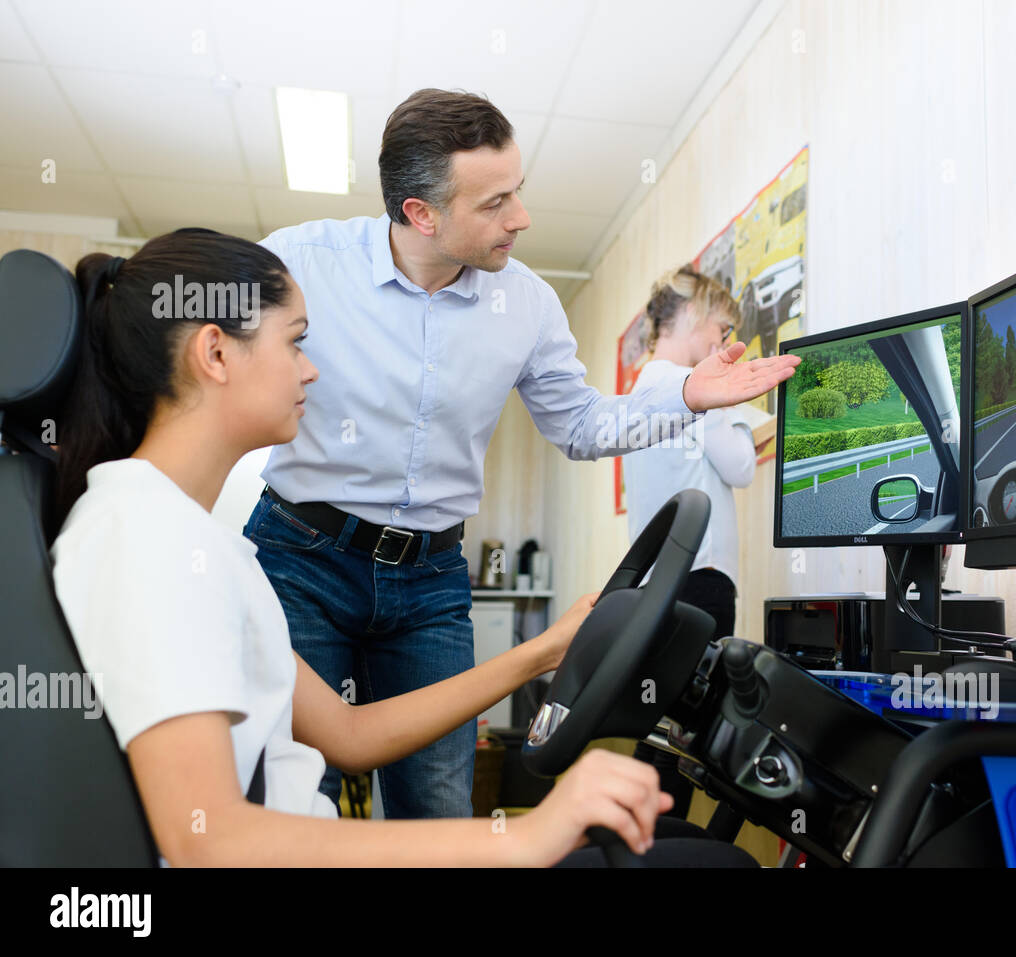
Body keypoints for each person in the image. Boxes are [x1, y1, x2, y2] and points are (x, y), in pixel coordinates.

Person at [250, 88, 798, 819]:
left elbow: (582, 427)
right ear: (421, 213)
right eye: (495, 201)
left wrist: (687, 398)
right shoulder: (298, 264)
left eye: (520, 191)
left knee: (440, 807)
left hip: (428, 582)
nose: (522, 217)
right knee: (288, 802)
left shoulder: (529, 304)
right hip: (300, 557)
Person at [46, 230, 674, 866]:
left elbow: (348, 735)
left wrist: (541, 653)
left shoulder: (201, 544)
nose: (311, 368)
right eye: (294, 341)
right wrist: (527, 836)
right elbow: (209, 843)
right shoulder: (150, 539)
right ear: (216, 353)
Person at [622, 265, 757, 817]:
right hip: (700, 583)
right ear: (693, 317)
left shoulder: (641, 389)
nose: (725, 345)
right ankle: (656, 845)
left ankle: (636, 842)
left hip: (658, 589)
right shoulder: (691, 388)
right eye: (722, 331)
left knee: (658, 730)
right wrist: (742, 411)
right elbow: (742, 466)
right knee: (680, 740)